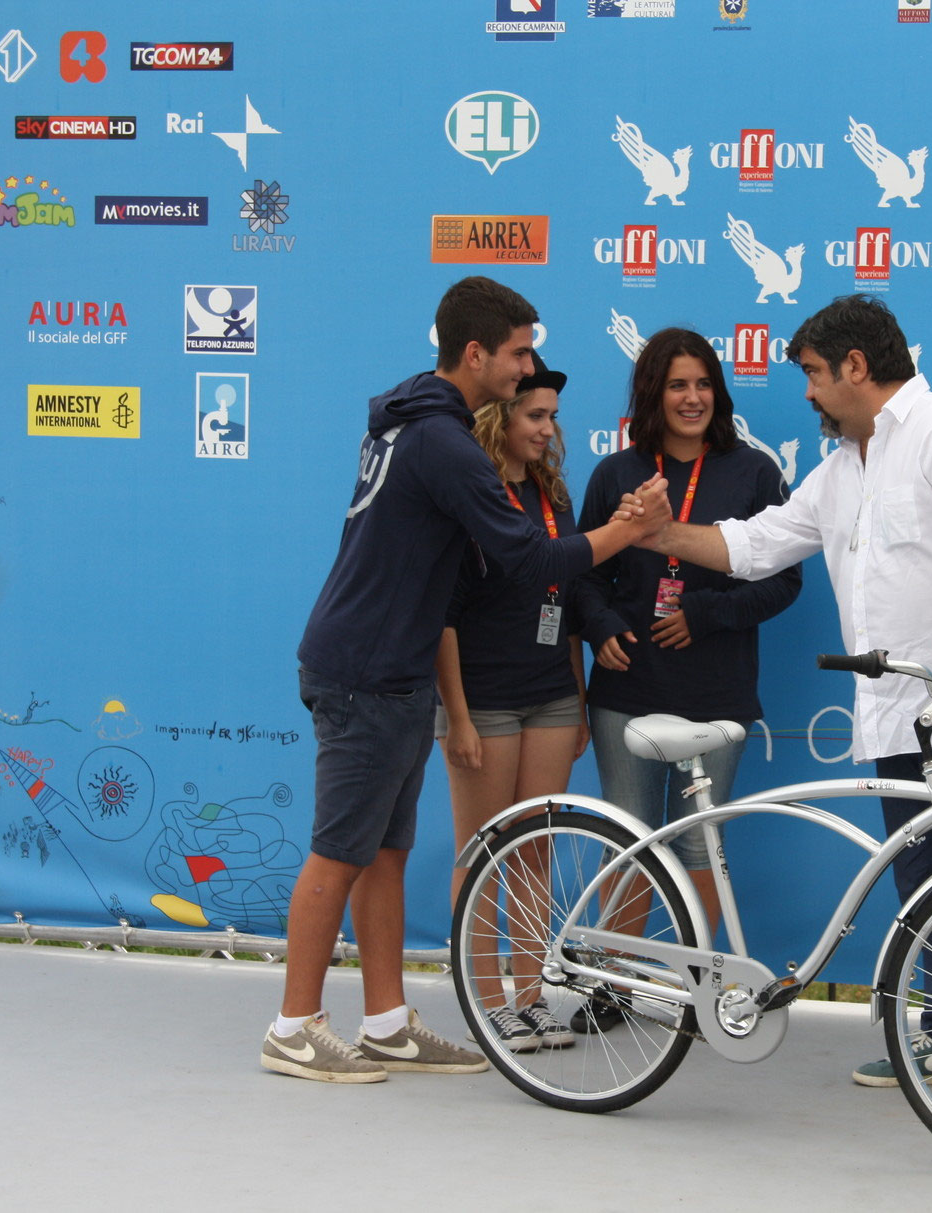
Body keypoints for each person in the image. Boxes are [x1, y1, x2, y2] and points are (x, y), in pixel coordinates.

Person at [622, 295, 932, 1120]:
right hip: (897, 712)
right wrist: (665, 535)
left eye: (815, 373)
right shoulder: (844, 465)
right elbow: (759, 543)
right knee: (923, 886)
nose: (809, 392)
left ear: (856, 365)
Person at [263, 276, 667, 1083]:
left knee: (386, 852)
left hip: (395, 670)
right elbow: (528, 558)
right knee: (340, 854)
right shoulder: (442, 441)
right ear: (476, 354)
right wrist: (627, 529)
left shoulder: (419, 419)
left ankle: (386, 1022)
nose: (529, 369)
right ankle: (293, 1025)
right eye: (519, 354)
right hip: (364, 671)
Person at [571, 328, 802, 1015]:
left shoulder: (753, 471)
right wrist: (601, 625)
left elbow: (784, 580)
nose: (693, 397)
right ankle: (612, 985)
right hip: (628, 687)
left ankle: (699, 987)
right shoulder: (616, 473)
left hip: (715, 689)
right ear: (653, 393)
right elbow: (582, 572)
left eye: (703, 384)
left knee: (700, 843)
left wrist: (705, 614)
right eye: (678, 385)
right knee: (630, 840)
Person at [435, 353, 585, 1054]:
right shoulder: (472, 492)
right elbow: (443, 618)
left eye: (552, 417)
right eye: (535, 415)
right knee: (482, 850)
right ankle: (486, 1002)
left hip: (551, 695)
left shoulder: (552, 492)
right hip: (484, 700)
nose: (547, 429)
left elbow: (568, 602)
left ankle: (531, 998)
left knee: (534, 848)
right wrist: (459, 716)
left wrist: (578, 692)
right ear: (501, 416)